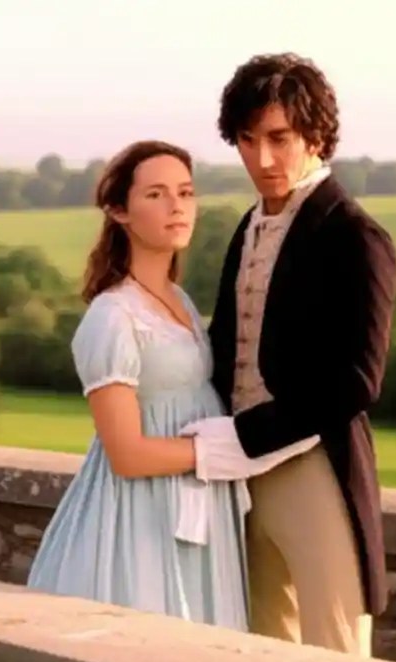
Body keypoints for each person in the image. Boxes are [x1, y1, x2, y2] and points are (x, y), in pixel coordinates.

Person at [25, 139, 313, 631]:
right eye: (156, 194)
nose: (176, 205)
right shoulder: (113, 316)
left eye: (185, 192)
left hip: (201, 510)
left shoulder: (178, 299)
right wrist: (223, 451)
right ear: (119, 211)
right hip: (140, 520)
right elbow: (126, 454)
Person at [181, 53, 396, 657]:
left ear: (316, 134)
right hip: (240, 476)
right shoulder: (246, 227)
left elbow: (358, 379)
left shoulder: (356, 235)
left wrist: (249, 435)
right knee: (257, 653)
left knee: (336, 658)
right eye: (247, 141)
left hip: (315, 466)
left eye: (278, 138)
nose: (262, 159)